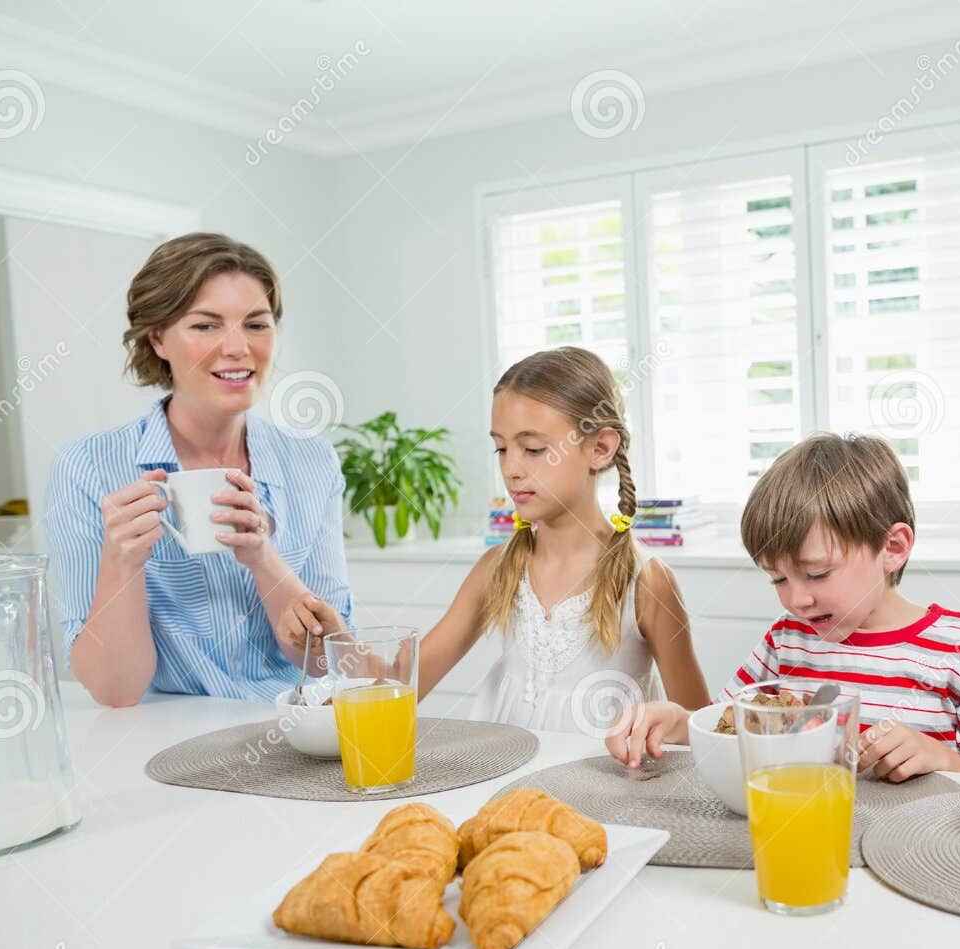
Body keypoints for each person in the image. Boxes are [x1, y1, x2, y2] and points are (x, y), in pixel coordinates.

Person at [283, 346, 709, 734]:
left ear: (599, 449)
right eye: (502, 449)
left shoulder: (647, 582)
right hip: (505, 791)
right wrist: (339, 638)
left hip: (604, 799)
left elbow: (697, 729)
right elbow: (403, 685)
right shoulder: (498, 569)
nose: (512, 470)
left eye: (534, 449)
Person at [606, 433, 960, 780]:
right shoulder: (786, 642)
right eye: (778, 579)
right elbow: (727, 728)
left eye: (818, 573)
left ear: (893, 547)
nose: (796, 600)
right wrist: (678, 722)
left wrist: (941, 759)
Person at [44, 233, 351, 705]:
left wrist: (262, 560)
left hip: (288, 730)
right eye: (206, 326)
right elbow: (114, 690)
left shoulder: (312, 463)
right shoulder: (87, 467)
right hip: (159, 737)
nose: (237, 348)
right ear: (158, 339)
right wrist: (122, 562)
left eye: (256, 324)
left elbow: (330, 663)